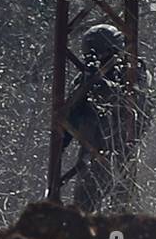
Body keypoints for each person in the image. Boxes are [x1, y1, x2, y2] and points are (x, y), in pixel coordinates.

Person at [63, 23, 150, 211]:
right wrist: (87, 83)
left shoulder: (134, 72)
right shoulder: (85, 77)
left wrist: (101, 82)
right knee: (83, 207)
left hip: (120, 148)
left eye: (100, 54)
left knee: (121, 208)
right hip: (91, 148)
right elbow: (68, 113)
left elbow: (131, 103)